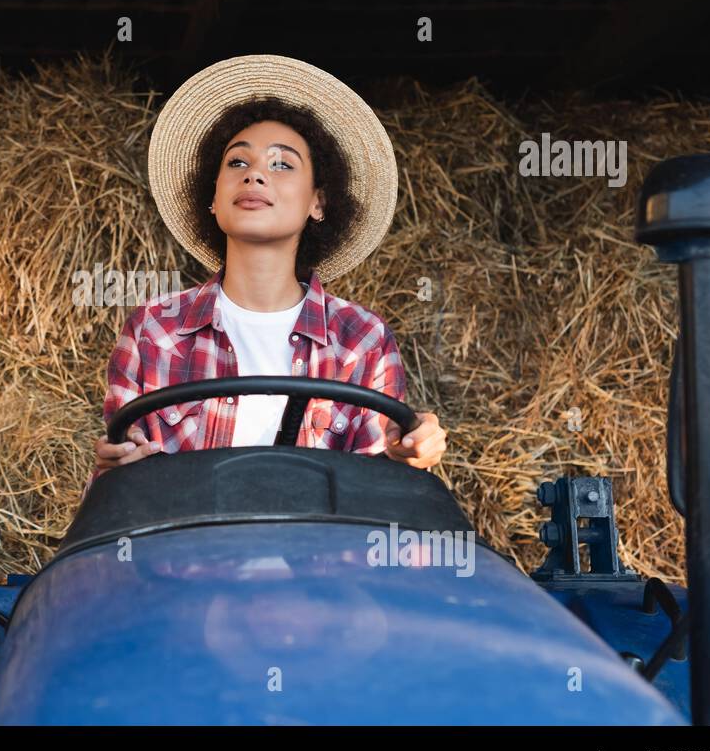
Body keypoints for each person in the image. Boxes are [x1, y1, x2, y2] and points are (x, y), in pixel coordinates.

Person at [89, 54, 446, 486]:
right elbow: (120, 497)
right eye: (237, 162)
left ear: (318, 202)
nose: (255, 174)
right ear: (213, 198)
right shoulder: (154, 330)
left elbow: (372, 499)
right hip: (184, 551)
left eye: (282, 165)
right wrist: (115, 469)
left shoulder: (361, 340)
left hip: (318, 554)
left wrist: (409, 454)